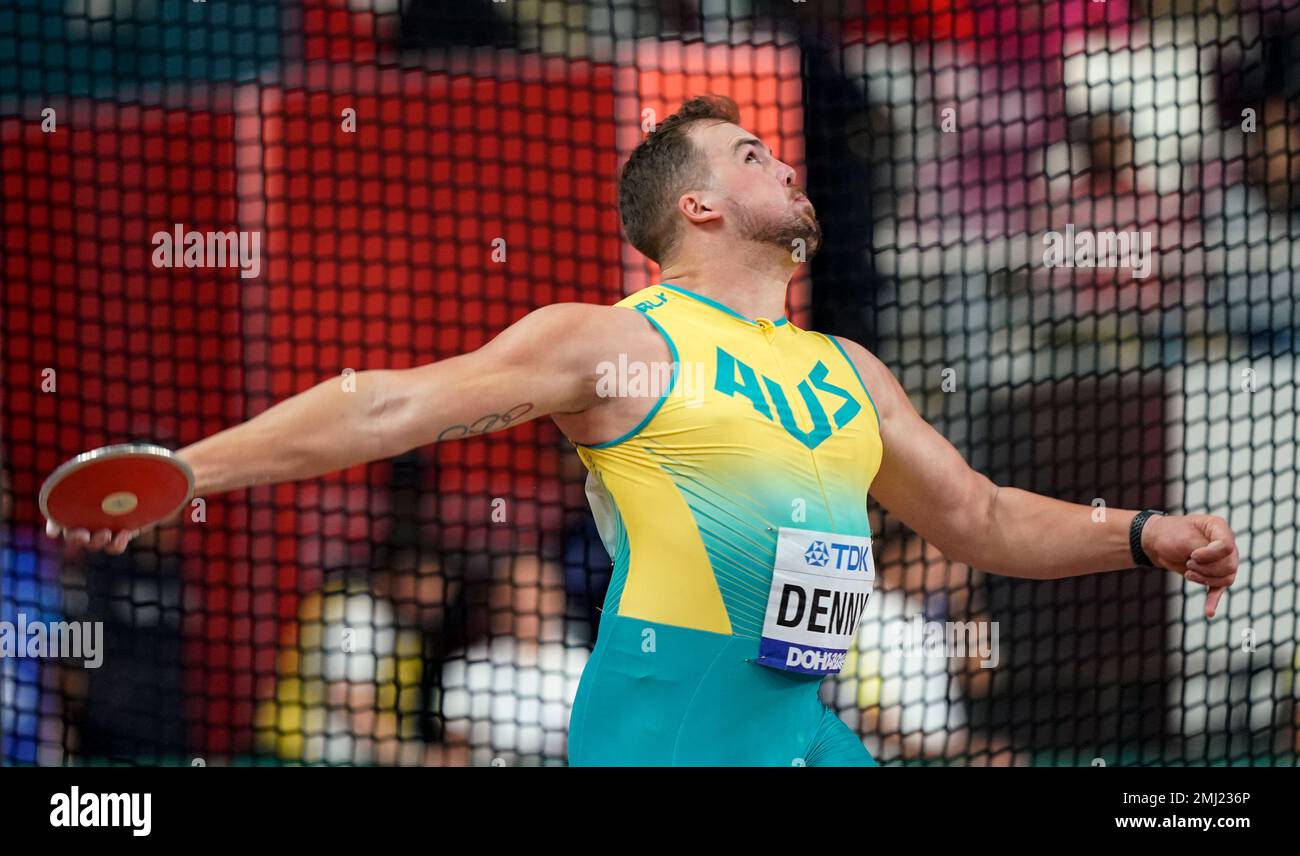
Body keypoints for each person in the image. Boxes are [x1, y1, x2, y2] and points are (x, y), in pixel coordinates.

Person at [48, 95, 1240, 767]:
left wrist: (1138, 533)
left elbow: (977, 515)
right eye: (751, 153)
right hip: (665, 732)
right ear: (700, 204)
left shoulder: (847, 373)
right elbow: (393, 400)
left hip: (802, 733)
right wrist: (191, 469)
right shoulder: (618, 341)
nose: (785, 164)